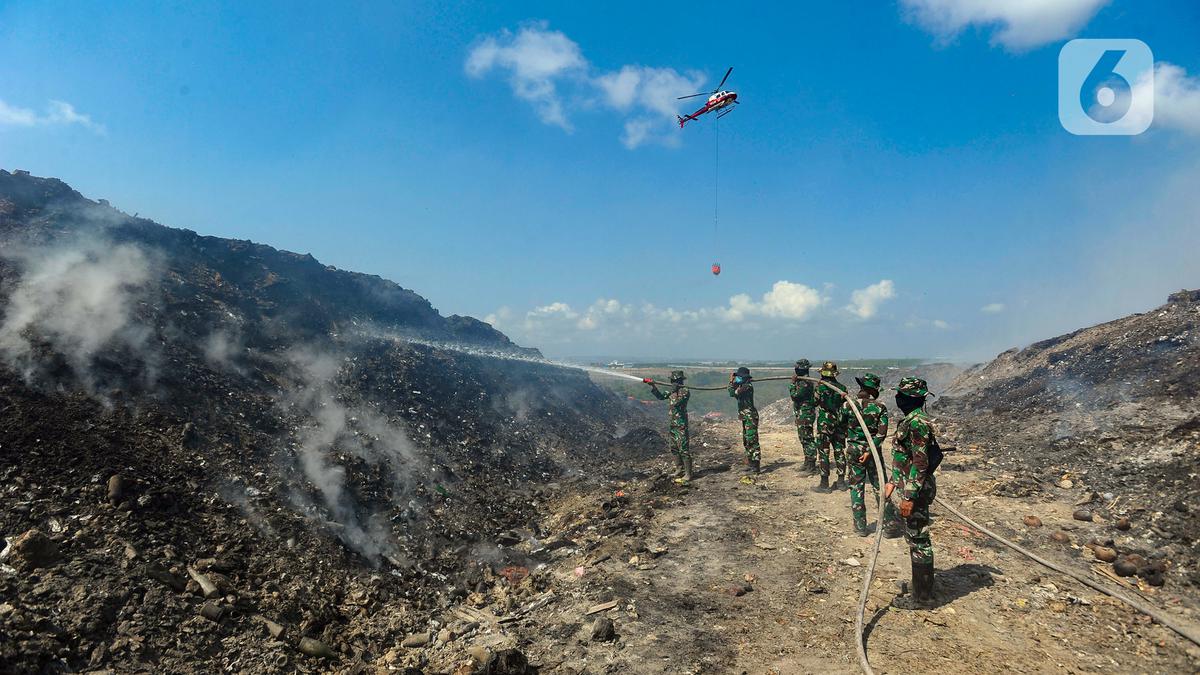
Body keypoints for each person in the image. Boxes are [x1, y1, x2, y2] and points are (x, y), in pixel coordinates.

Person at [885, 377, 940, 609]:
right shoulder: (910, 420)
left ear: (912, 398)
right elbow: (903, 458)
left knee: (919, 539)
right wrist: (892, 482)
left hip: (914, 489)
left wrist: (909, 496)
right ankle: (920, 588)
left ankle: (923, 598)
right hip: (908, 485)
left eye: (902, 395)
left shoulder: (917, 423)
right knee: (914, 537)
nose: (898, 398)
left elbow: (920, 462)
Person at [845, 372, 899, 537]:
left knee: (856, 487)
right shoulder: (880, 407)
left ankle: (860, 526)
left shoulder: (848, 405)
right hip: (873, 452)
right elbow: (881, 435)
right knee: (879, 487)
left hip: (854, 450)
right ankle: (889, 525)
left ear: (861, 387)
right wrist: (869, 451)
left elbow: (841, 424)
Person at [644, 371, 692, 484]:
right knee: (674, 448)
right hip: (672, 424)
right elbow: (660, 397)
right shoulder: (671, 390)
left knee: (684, 449)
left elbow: (676, 403)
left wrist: (674, 390)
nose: (673, 382)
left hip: (681, 424)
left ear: (679, 381)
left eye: (675, 381)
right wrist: (653, 386)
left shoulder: (685, 391)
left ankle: (688, 474)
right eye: (672, 381)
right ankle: (679, 469)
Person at [813, 361, 849, 493]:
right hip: (839, 423)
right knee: (839, 451)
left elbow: (815, 402)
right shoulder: (842, 389)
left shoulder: (821, 388)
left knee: (823, 452)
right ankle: (841, 482)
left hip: (825, 424)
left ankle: (824, 483)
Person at [727, 366, 760, 474]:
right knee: (746, 441)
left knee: (752, 440)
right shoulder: (742, 386)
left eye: (739, 377)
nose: (737, 378)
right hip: (745, 417)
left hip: (750, 417)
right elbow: (735, 394)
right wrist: (734, 383)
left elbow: (732, 393)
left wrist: (731, 382)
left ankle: (755, 466)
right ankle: (750, 463)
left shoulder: (747, 387)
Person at [789, 359, 819, 475]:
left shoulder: (805, 382)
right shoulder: (802, 381)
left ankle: (811, 466)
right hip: (802, 414)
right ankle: (807, 462)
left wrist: (792, 384)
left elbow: (795, 395)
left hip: (805, 414)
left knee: (807, 439)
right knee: (803, 438)